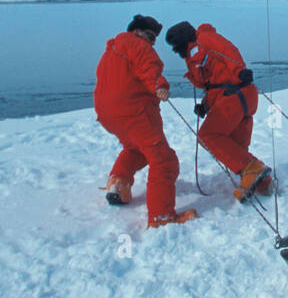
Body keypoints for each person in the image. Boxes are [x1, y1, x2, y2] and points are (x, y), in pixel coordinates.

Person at [94, 15, 197, 229]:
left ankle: (119, 183)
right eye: (150, 36)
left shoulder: (112, 49)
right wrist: (160, 85)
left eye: (153, 39)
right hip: (134, 110)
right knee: (163, 160)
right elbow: (148, 66)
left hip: (107, 113)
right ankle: (161, 216)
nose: (151, 42)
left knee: (136, 148)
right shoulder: (137, 45)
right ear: (138, 32)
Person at [164, 21, 272, 201]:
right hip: (237, 97)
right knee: (235, 146)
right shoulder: (193, 53)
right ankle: (263, 182)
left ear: (184, 39)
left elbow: (228, 50)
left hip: (237, 94)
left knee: (208, 135)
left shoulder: (205, 38)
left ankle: (253, 170)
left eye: (176, 46)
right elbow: (214, 83)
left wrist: (239, 71)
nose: (176, 51)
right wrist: (205, 104)